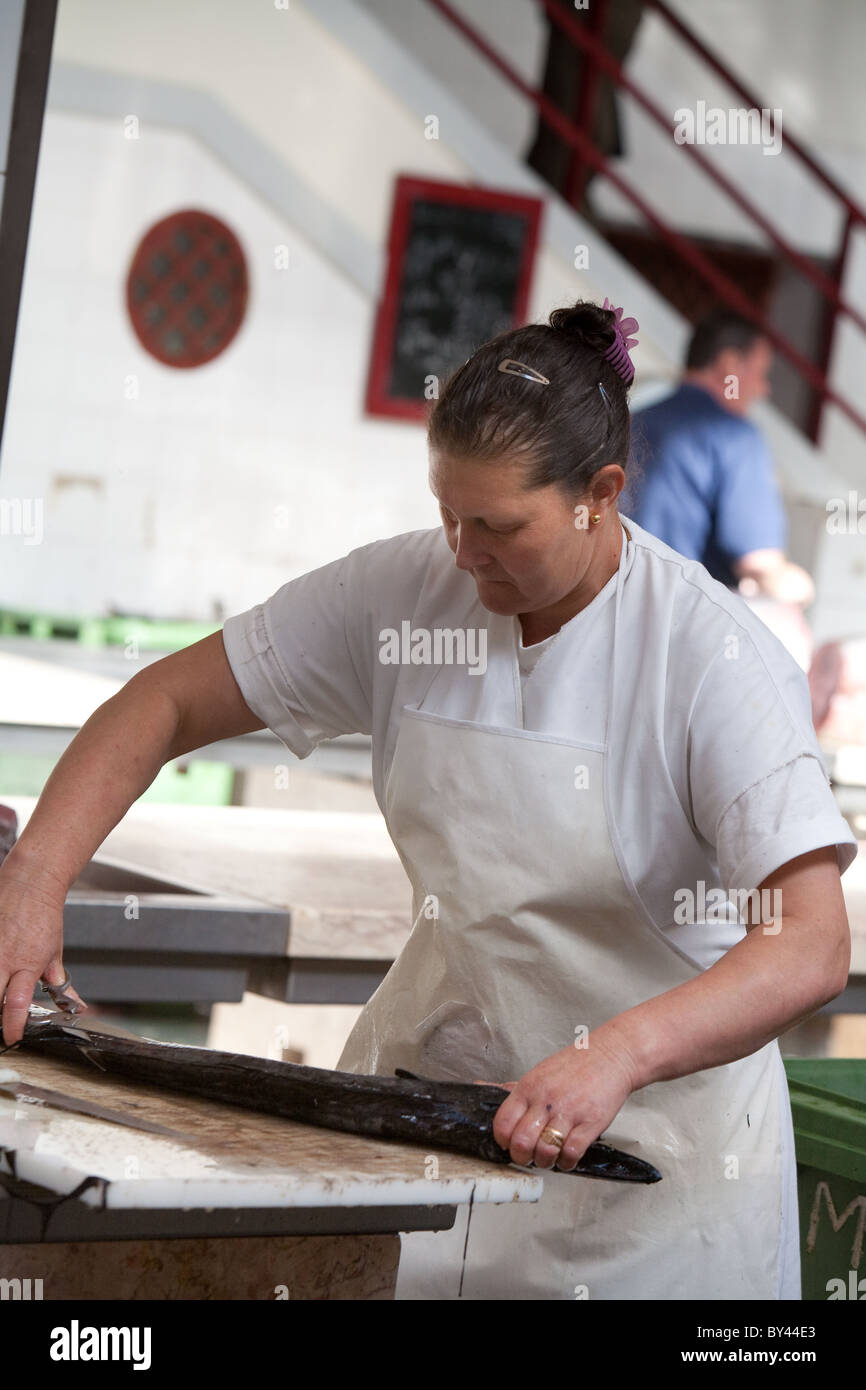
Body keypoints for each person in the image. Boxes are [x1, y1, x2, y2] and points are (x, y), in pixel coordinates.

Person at [0, 299, 856, 1302]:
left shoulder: (707, 657)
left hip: (650, 1189)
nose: (460, 552)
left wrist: (613, 1054)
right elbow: (165, 700)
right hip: (419, 1141)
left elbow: (807, 944)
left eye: (497, 527)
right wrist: (34, 877)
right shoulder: (403, 591)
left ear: (600, 493)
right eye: (448, 513)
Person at [619, 309, 815, 605]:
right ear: (729, 364)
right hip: (678, 623)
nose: (764, 389)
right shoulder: (736, 436)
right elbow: (760, 565)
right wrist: (802, 587)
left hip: (604, 611)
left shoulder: (627, 423)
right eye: (761, 374)